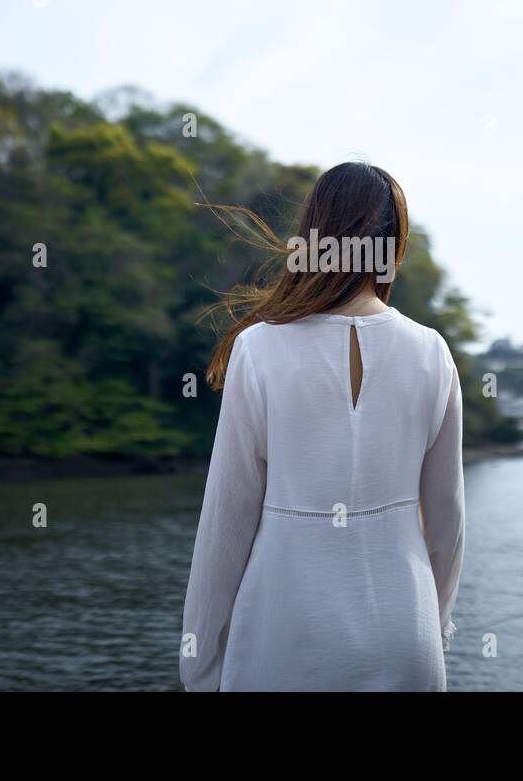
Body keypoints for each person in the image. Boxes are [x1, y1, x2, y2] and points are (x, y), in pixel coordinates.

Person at [179, 161, 465, 691]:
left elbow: (226, 519)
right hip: (408, 632)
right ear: (393, 243)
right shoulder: (432, 352)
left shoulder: (260, 348)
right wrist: (436, 625)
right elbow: (446, 522)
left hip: (286, 633)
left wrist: (199, 661)